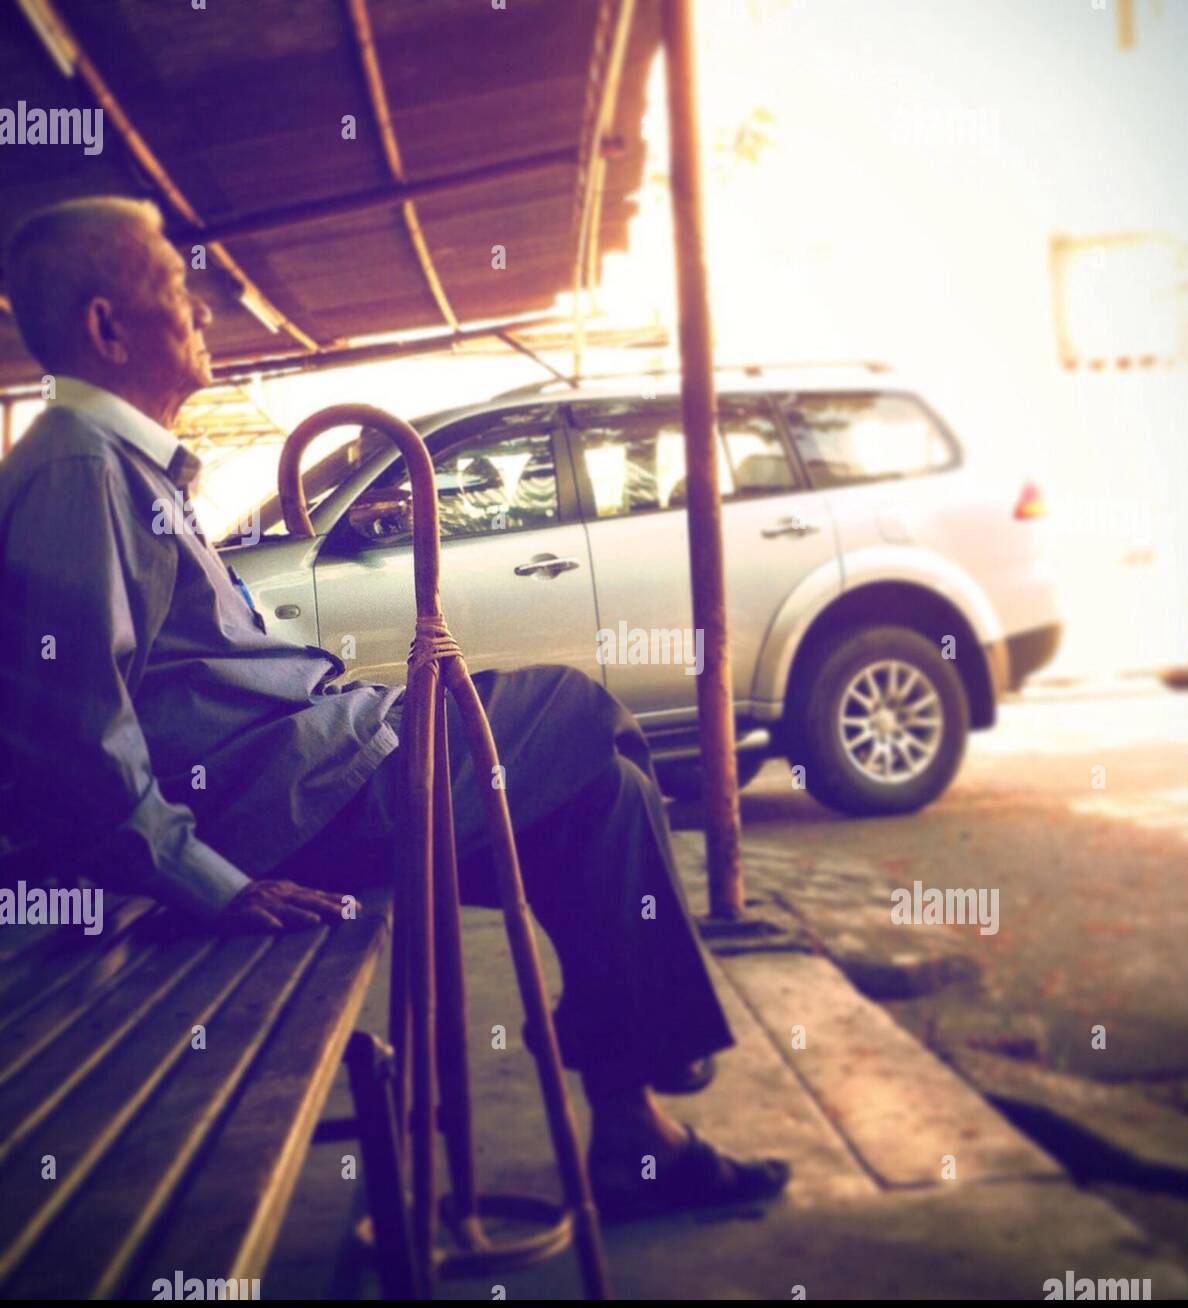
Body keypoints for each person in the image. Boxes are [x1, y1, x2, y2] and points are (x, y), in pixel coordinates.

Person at [0, 196, 789, 1222]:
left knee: (605, 803)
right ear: (108, 327)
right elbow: (67, 739)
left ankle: (635, 1135)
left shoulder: (118, 463)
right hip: (288, 804)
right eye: (173, 282)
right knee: (580, 708)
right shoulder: (75, 468)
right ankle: (653, 1041)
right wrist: (207, 881)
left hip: (314, 773)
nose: (200, 304)